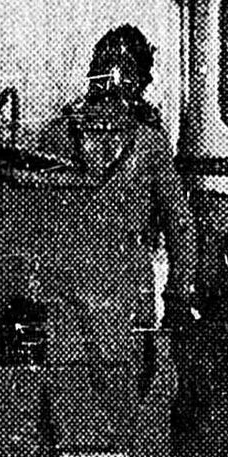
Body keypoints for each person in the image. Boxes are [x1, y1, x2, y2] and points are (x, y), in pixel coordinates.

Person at [35, 26, 200, 382]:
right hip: (129, 297)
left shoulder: (55, 134)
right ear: (139, 80)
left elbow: (33, 222)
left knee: (68, 405)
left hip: (66, 296)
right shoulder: (151, 143)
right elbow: (180, 225)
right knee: (122, 408)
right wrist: (179, 295)